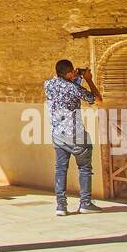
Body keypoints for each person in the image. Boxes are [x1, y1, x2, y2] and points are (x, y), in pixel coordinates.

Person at [44, 58, 102, 216]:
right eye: (71, 72)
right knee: (84, 168)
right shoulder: (74, 88)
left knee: (60, 169)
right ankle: (85, 203)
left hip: (58, 135)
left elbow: (64, 85)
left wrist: (75, 77)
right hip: (76, 135)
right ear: (69, 73)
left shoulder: (48, 84)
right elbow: (97, 99)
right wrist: (88, 80)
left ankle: (61, 206)